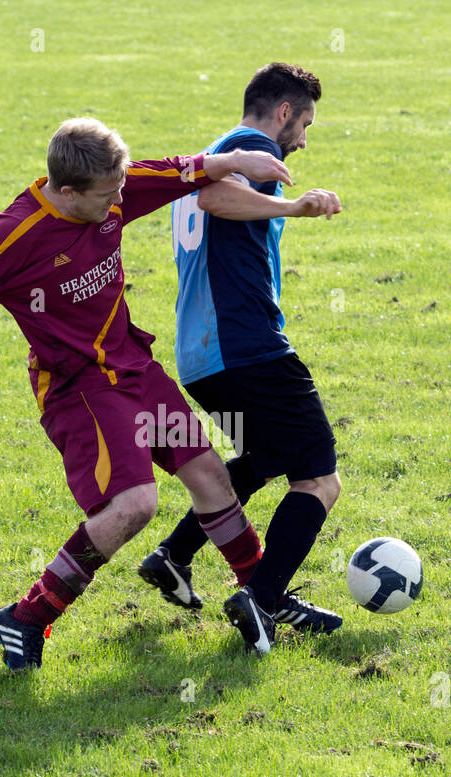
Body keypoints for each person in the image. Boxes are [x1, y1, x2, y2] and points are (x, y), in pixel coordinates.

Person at [0, 117, 296, 668]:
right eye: (107, 194)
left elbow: (180, 170)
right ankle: (26, 618)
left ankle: (263, 598)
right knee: (135, 504)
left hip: (133, 364)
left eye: (121, 187)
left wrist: (240, 162)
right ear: (66, 192)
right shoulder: (19, 232)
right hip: (78, 386)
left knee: (210, 474)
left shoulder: (110, 186)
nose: (119, 199)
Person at [138, 63, 344, 652]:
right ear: (283, 112)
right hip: (248, 348)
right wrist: (293, 208)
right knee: (319, 478)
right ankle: (262, 596)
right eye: (304, 123)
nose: (303, 139)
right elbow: (216, 200)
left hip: (203, 359)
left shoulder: (212, 150)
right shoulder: (250, 148)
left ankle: (174, 555)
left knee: (261, 460)